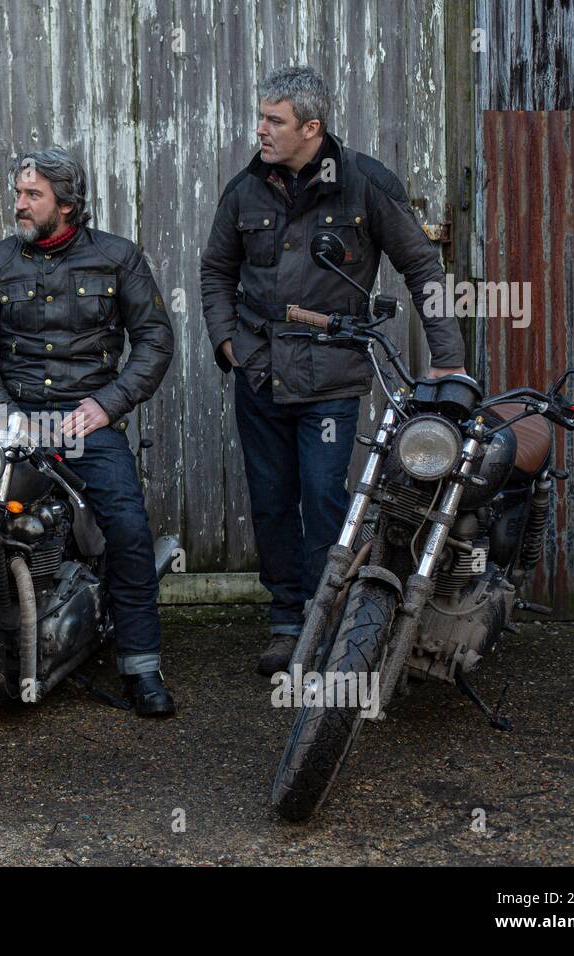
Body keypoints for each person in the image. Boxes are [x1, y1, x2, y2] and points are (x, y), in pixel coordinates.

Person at [199, 67, 466, 675]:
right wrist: (226, 342)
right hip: (259, 370)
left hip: (330, 375)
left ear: (311, 128)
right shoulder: (246, 189)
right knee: (270, 501)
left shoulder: (365, 184)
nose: (261, 130)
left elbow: (422, 268)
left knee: (324, 500)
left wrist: (448, 360)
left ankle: (327, 620)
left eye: (275, 121)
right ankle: (286, 619)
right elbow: (215, 270)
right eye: (261, 117)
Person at [0, 147, 177, 715]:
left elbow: (154, 341)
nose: (20, 205)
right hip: (15, 421)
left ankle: (141, 665)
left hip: (86, 423)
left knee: (126, 525)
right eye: (19, 194)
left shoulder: (118, 258)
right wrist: (4, 410)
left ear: (68, 204)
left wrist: (107, 404)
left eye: (34, 196)